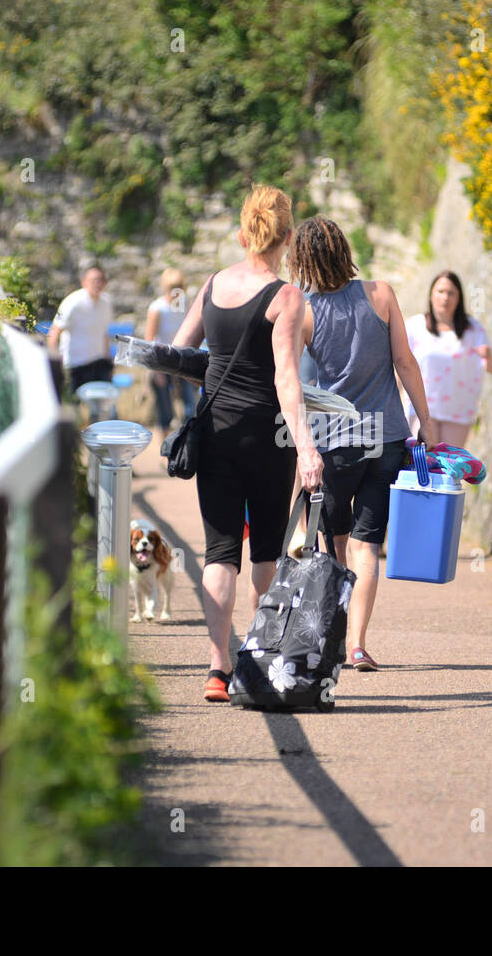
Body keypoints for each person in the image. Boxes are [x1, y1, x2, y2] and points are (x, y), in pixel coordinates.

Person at [170, 185, 322, 703]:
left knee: (219, 554)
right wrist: (306, 446)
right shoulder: (285, 296)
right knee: (266, 556)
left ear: (244, 233)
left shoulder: (213, 284)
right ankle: (255, 664)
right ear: (286, 238)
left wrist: (215, 386)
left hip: (216, 433)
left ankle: (217, 667)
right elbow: (286, 378)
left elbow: (177, 353)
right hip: (266, 437)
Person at [289, 216, 435, 672]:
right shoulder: (382, 294)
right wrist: (425, 422)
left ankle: (333, 636)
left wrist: (300, 445)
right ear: (343, 248)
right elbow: (405, 363)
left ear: (303, 259)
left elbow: (291, 382)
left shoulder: (306, 312)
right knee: (367, 546)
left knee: (334, 542)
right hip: (387, 438)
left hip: (335, 445)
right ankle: (357, 644)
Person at [404, 271, 492, 448]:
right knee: (422, 464)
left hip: (458, 410)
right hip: (421, 410)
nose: (445, 298)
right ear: (431, 294)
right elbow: (402, 364)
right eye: (440, 292)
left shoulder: (474, 330)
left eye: (451, 293)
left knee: (449, 468)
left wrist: (489, 358)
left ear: (459, 298)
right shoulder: (414, 326)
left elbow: (491, 368)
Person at [145, 268, 199, 442]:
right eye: (172, 287)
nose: (176, 291)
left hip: (182, 361)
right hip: (162, 362)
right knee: (165, 411)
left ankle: (185, 447)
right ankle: (164, 448)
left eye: (179, 286)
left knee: (190, 407)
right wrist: (157, 371)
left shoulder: (185, 306)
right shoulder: (157, 308)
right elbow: (150, 340)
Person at [47, 265, 114, 394]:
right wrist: (54, 364)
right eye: (93, 280)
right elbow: (55, 331)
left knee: (103, 403)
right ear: (84, 282)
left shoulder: (106, 302)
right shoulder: (72, 302)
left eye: (100, 280)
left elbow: (104, 332)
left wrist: (108, 359)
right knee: (74, 404)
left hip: (99, 361)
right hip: (75, 363)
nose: (97, 284)